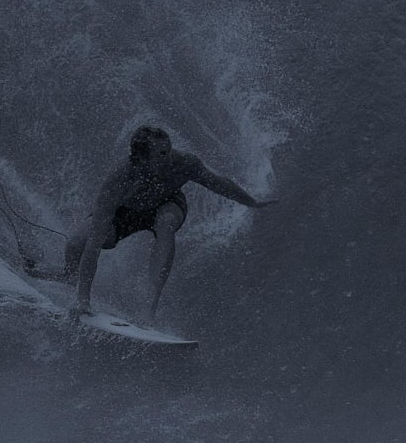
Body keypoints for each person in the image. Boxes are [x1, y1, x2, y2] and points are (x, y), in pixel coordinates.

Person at [24, 125, 276, 319]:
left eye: (169, 149)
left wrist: (252, 203)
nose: (169, 157)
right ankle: (68, 277)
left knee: (165, 225)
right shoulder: (118, 181)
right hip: (125, 212)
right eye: (162, 153)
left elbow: (219, 183)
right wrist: (83, 301)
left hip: (168, 203)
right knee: (77, 242)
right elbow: (94, 243)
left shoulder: (183, 164)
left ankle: (150, 306)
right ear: (141, 158)